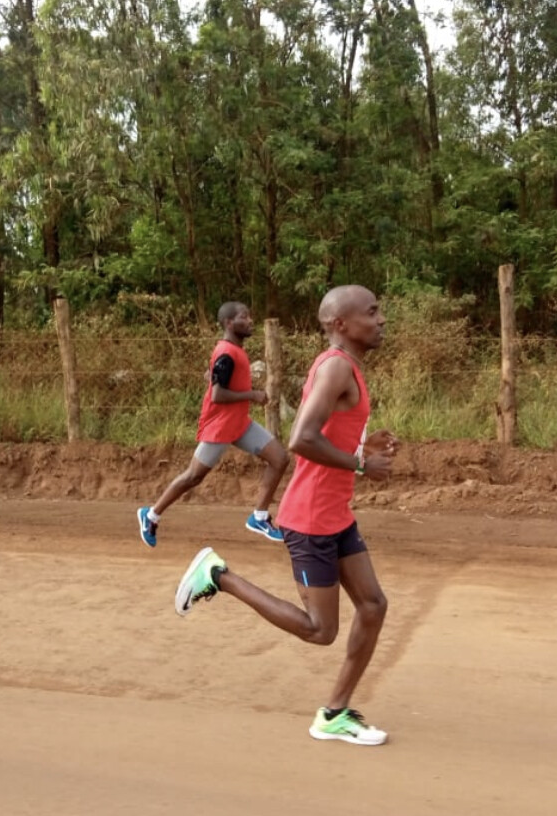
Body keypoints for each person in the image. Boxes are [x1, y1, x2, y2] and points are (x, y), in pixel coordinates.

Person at [173, 285, 398, 745]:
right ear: (340, 324)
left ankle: (334, 714)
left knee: (373, 605)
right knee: (320, 630)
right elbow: (300, 440)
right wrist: (359, 463)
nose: (381, 320)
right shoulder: (336, 366)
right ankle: (219, 576)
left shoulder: (343, 366)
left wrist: (362, 445)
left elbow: (325, 435)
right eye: (371, 312)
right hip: (311, 516)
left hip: (334, 511)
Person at [137, 301, 289, 547]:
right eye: (244, 317)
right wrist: (252, 395)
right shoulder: (227, 352)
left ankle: (259, 517)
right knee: (193, 476)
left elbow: (215, 378)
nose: (250, 321)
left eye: (250, 316)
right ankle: (151, 515)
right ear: (229, 323)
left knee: (280, 458)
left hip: (238, 423)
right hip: (220, 426)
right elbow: (218, 395)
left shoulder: (231, 350)